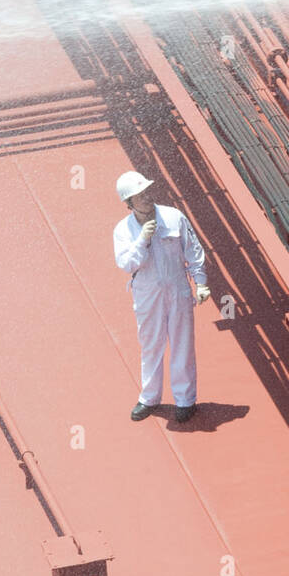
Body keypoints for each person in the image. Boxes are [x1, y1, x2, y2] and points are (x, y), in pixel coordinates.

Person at [113, 170, 211, 423]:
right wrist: (142, 239)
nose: (145, 197)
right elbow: (126, 264)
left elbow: (193, 249)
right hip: (148, 294)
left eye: (146, 191)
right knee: (150, 345)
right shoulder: (123, 230)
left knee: (183, 345)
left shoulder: (173, 216)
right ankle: (149, 398)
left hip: (178, 290)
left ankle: (185, 400)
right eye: (138, 195)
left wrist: (200, 283)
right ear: (129, 203)